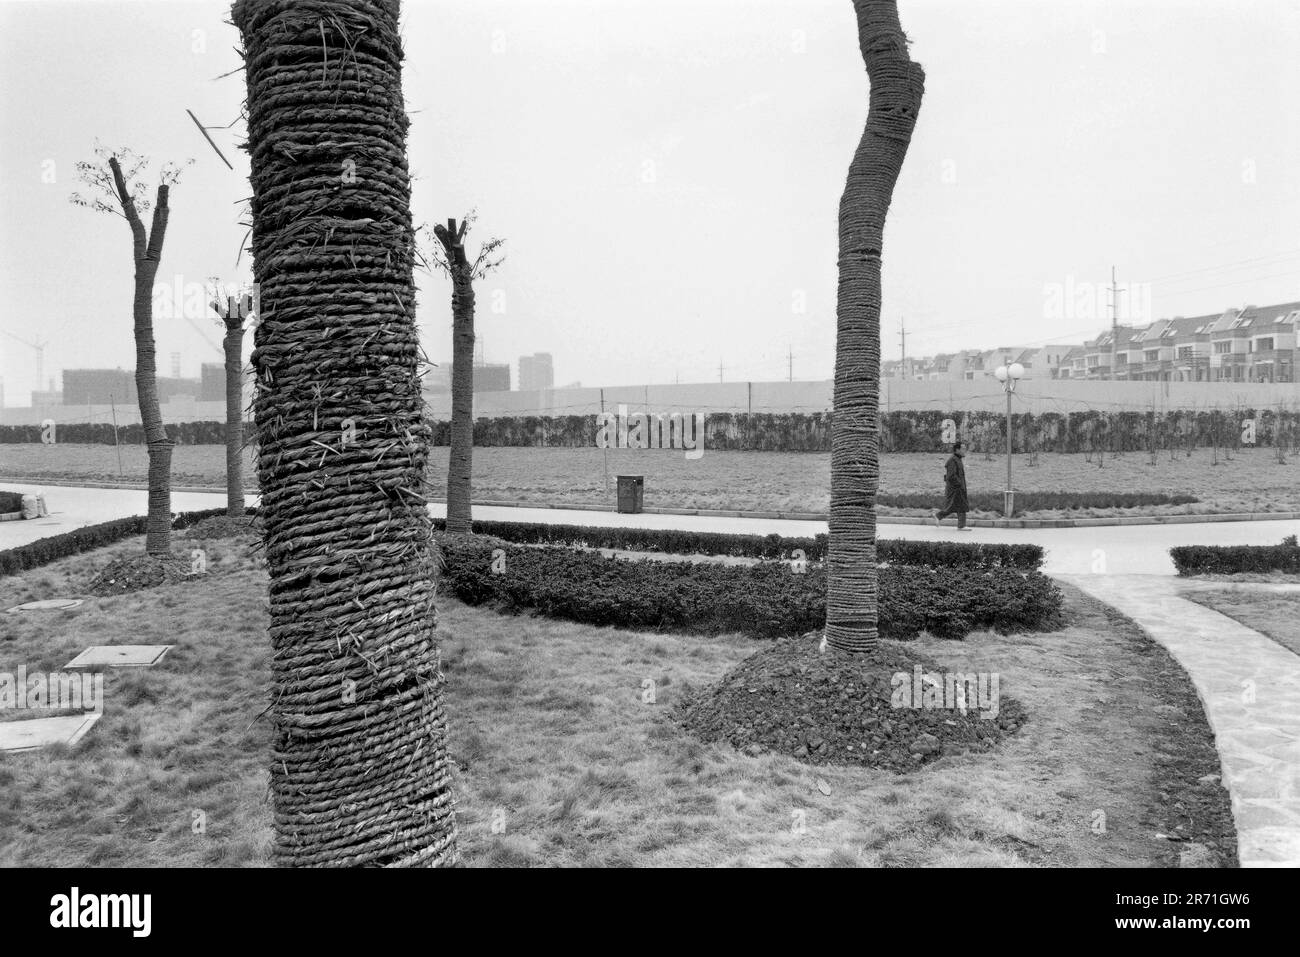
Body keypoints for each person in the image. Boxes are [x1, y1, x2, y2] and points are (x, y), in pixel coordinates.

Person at [934, 441, 970, 530]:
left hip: (958, 487)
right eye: (963, 449)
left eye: (965, 448)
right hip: (955, 488)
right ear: (957, 450)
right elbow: (951, 476)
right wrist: (960, 484)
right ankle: (939, 516)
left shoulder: (957, 459)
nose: (965, 450)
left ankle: (939, 517)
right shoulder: (952, 460)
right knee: (956, 506)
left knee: (959, 506)